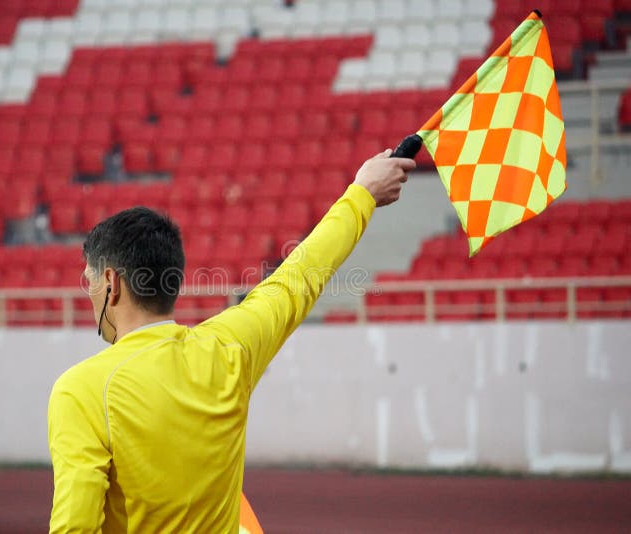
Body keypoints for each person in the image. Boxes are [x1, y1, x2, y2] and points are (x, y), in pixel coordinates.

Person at [48, 149, 416, 532]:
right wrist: (362, 192)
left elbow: (75, 527)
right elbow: (301, 275)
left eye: (89, 281)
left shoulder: (80, 391)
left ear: (111, 282)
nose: (89, 294)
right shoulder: (228, 347)